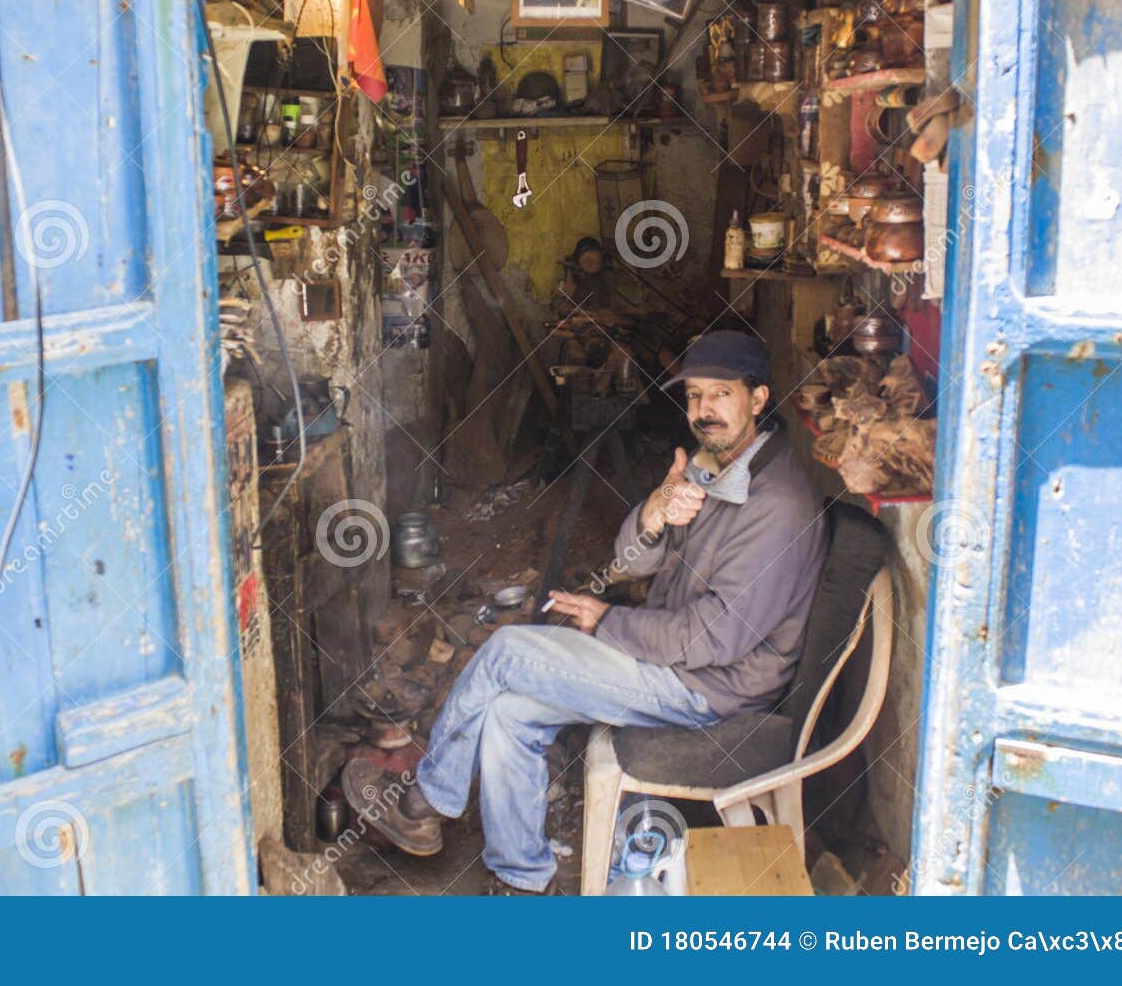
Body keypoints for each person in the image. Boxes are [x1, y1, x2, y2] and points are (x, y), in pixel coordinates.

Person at [345, 330, 828, 893]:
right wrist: (654, 512)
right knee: (507, 714)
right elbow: (633, 563)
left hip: (708, 690)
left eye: (721, 394)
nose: (704, 411)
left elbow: (715, 640)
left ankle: (427, 799)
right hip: (673, 663)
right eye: (695, 396)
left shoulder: (777, 506)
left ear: (759, 398)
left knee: (504, 651)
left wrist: (607, 622)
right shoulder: (713, 465)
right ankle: (521, 875)